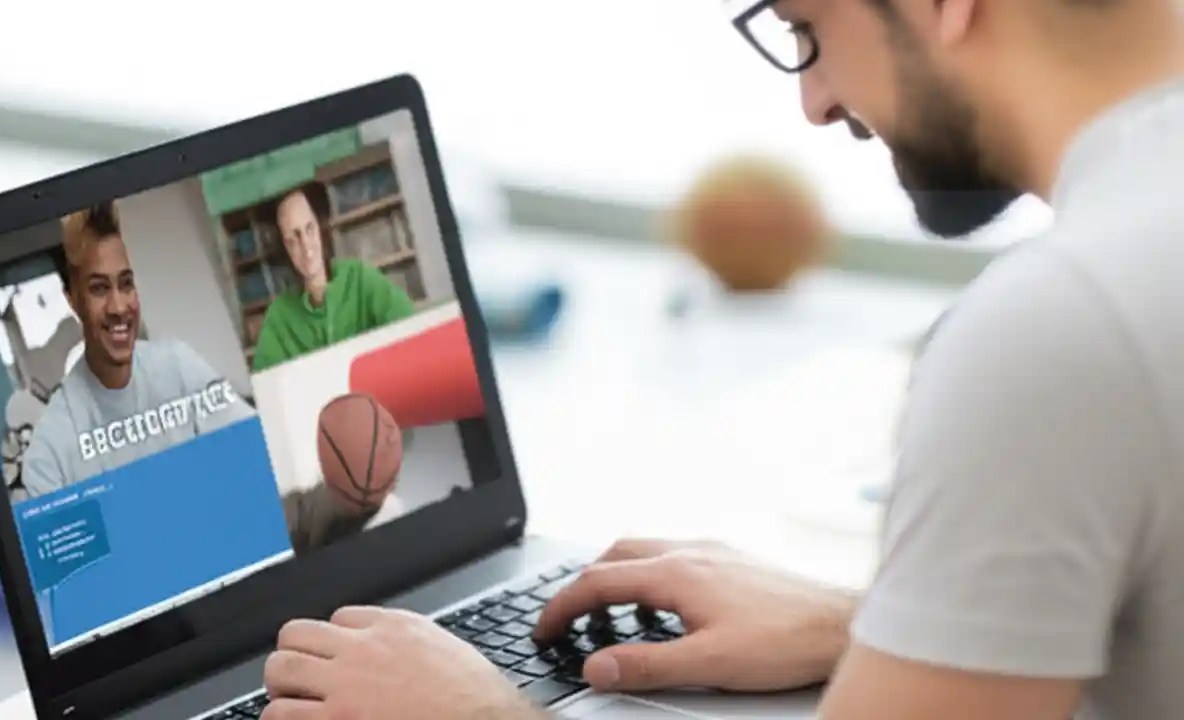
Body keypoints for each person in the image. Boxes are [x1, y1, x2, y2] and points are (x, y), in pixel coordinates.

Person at [259, 2, 1184, 719]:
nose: (816, 103)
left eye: (805, 29)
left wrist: (479, 710)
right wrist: (877, 626)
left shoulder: (1056, 333)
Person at [21, 203, 255, 497]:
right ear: (73, 300)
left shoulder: (178, 367)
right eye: (99, 288)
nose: (119, 307)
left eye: (126, 284)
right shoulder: (50, 454)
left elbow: (251, 462)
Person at [250, 186, 416, 372]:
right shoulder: (279, 318)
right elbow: (265, 382)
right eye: (293, 239)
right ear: (285, 249)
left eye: (309, 228)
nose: (306, 245)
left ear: (321, 228)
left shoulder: (358, 276)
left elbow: (407, 324)